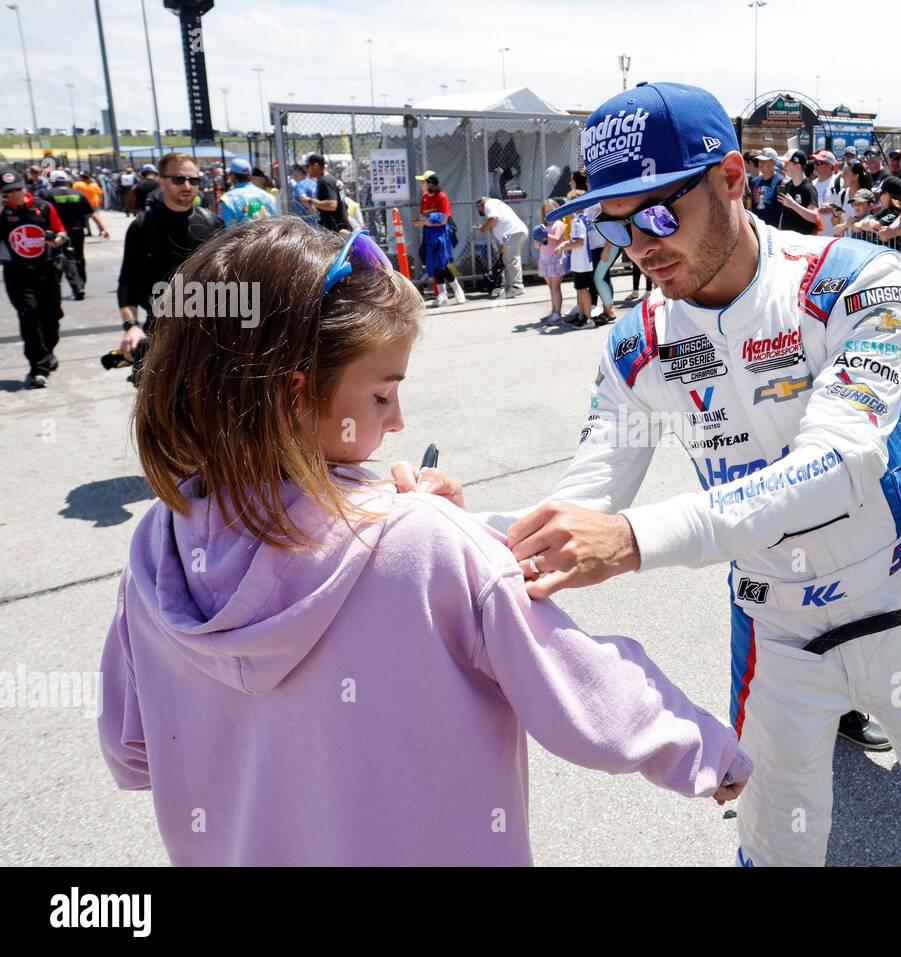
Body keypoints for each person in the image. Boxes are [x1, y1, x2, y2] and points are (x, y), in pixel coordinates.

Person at [399, 81, 901, 867]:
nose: (641, 247)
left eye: (656, 213)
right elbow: (585, 503)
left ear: (734, 179)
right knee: (778, 853)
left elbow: (841, 463)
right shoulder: (637, 342)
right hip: (778, 633)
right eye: (615, 225)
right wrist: (450, 524)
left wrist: (637, 538)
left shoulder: (853, 279)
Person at [98, 217, 751, 866]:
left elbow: (131, 751)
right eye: (383, 395)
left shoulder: (157, 552)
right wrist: (703, 747)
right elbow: (579, 685)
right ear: (296, 397)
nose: (399, 419)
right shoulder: (426, 542)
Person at [117, 153, 224, 375]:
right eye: (178, 179)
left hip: (208, 335)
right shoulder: (142, 226)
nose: (187, 185)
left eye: (193, 180)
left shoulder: (212, 223)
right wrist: (131, 327)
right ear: (161, 180)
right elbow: (128, 282)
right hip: (160, 333)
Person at [1, 167, 67, 389]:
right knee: (29, 317)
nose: (15, 195)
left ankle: (47, 353)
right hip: (17, 274)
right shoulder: (2, 213)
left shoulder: (43, 207)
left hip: (46, 271)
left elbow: (61, 232)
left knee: (51, 317)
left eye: (17, 189)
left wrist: (57, 240)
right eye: (9, 192)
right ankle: (38, 368)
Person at [48, 170, 108, 300]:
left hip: (57, 232)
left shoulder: (46, 194)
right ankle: (81, 282)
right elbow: (91, 213)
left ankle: (70, 285)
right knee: (78, 257)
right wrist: (102, 228)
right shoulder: (78, 194)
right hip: (77, 231)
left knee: (59, 258)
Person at [415, 171, 465, 307]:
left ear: (430, 184)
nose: (421, 184)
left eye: (423, 182)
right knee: (433, 263)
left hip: (441, 233)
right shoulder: (425, 197)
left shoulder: (442, 197)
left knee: (441, 264)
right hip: (429, 234)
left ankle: (458, 291)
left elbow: (444, 221)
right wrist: (424, 222)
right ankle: (442, 295)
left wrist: (427, 223)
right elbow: (423, 216)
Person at [475, 194, 527, 299]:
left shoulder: (488, 204)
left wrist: (483, 228)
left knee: (512, 259)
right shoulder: (496, 203)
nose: (482, 212)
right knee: (506, 259)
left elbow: (493, 219)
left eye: (480, 209)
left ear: (481, 205)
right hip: (512, 233)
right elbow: (499, 222)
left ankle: (517, 286)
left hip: (512, 233)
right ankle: (509, 288)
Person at [555, 191, 595, 326]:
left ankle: (588, 319)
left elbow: (579, 243)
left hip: (581, 262)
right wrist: (564, 244)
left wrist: (566, 247)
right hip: (581, 262)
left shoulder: (577, 221)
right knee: (580, 290)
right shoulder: (580, 219)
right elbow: (576, 241)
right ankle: (581, 315)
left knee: (583, 290)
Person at [218, 157, 279, 227]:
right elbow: (276, 222)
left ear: (233, 176)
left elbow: (228, 229)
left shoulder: (227, 199)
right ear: (249, 175)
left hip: (243, 237)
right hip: (267, 237)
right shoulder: (268, 196)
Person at [534, 198, 568, 324]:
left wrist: (543, 234)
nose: (548, 212)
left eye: (551, 210)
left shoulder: (559, 224)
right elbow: (537, 245)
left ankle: (557, 314)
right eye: (546, 210)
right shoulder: (544, 226)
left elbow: (556, 239)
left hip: (555, 259)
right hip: (545, 259)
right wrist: (538, 238)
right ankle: (553, 311)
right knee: (551, 288)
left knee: (556, 288)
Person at [303, 154, 350, 235]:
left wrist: (310, 201)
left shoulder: (326, 181)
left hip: (336, 231)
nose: (306, 170)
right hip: (339, 229)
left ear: (316, 166)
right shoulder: (331, 179)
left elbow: (332, 205)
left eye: (308, 166)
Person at [775, 150, 819, 234]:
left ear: (797, 165)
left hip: (801, 241)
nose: (784, 166)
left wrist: (792, 204)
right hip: (787, 239)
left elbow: (814, 217)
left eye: (787, 163)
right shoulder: (787, 186)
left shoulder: (808, 188)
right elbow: (784, 214)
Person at [748, 146, 782, 229]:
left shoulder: (781, 181)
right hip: (757, 227)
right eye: (760, 161)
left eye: (764, 161)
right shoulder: (754, 181)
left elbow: (783, 209)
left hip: (773, 228)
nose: (760, 164)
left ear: (773, 162)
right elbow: (751, 204)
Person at [810, 150, 839, 235]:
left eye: (819, 163)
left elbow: (847, 205)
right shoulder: (811, 184)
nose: (815, 165)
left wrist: (831, 207)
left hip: (833, 237)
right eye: (815, 162)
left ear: (830, 166)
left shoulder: (838, 182)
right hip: (815, 237)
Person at [72, 171, 105, 235]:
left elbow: (74, 193)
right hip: (95, 204)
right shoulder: (94, 185)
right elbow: (100, 194)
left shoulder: (77, 184)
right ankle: (101, 231)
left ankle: (89, 232)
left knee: (86, 220)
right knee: (96, 218)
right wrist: (101, 202)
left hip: (83, 205)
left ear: (81, 177)